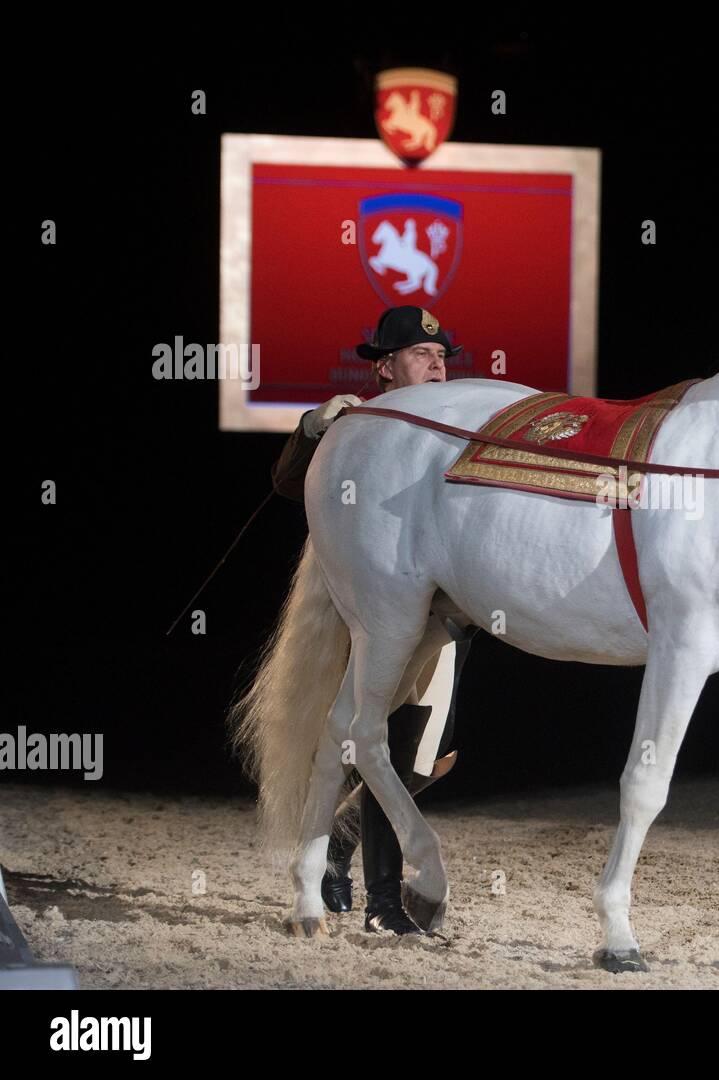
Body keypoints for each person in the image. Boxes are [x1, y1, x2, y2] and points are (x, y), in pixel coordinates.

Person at [272, 305, 477, 935]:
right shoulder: (361, 426)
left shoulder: (465, 425)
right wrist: (314, 429)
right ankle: (384, 905)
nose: (438, 362)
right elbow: (285, 484)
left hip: (444, 620)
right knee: (378, 743)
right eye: (421, 354)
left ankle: (337, 844)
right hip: (367, 612)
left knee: (413, 762)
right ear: (385, 368)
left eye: (442, 355)